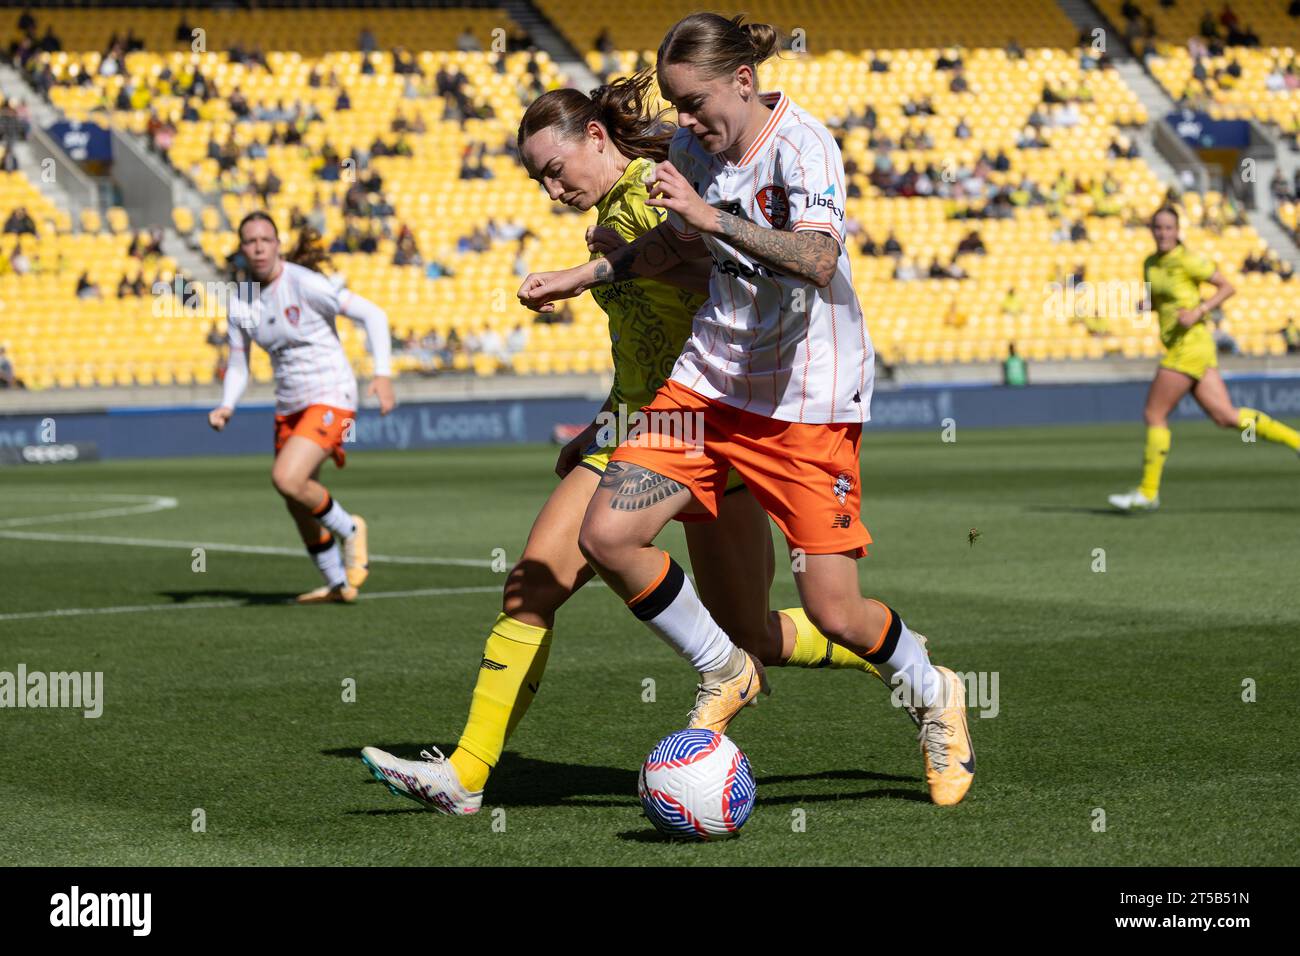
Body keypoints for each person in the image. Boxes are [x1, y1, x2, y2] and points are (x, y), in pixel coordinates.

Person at [359, 67, 933, 814]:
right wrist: (605, 423)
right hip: (650, 427)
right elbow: (641, 338)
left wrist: (628, 258)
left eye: (555, 170)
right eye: (539, 179)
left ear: (595, 137)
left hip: (709, 423)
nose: (551, 189)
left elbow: (731, 281)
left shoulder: (653, 197)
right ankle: (466, 774)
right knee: (536, 585)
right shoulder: (621, 207)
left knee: (755, 632)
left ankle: (887, 660)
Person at [513, 14, 973, 805]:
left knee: (835, 611)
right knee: (609, 534)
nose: (684, 125)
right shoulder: (695, 148)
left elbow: (820, 260)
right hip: (710, 383)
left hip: (806, 398)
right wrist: (588, 273)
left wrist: (712, 217)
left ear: (744, 82)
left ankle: (934, 693)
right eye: (676, 106)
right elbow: (669, 245)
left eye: (694, 104)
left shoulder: (804, 148)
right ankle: (724, 669)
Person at [208, 214, 396, 602]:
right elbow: (239, 364)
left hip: (331, 395)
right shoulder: (240, 302)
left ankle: (351, 529)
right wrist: (227, 405)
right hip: (289, 405)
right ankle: (336, 584)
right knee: (295, 499)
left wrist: (382, 374)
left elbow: (373, 314)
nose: (258, 247)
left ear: (278, 244)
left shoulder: (305, 283)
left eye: (265, 239)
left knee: (287, 478)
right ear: (241, 249)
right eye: (250, 241)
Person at [1109, 207, 1300, 511]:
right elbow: (1164, 299)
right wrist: (1150, 305)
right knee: (1226, 416)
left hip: (1189, 346)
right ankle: (1296, 441)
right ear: (1151, 230)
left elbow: (1228, 286)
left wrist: (1199, 311)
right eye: (1158, 227)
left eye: (1169, 228)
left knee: (1154, 414)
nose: (1163, 233)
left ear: (1177, 230)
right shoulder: (1150, 263)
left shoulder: (1187, 260)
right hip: (1189, 347)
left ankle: (1148, 492)